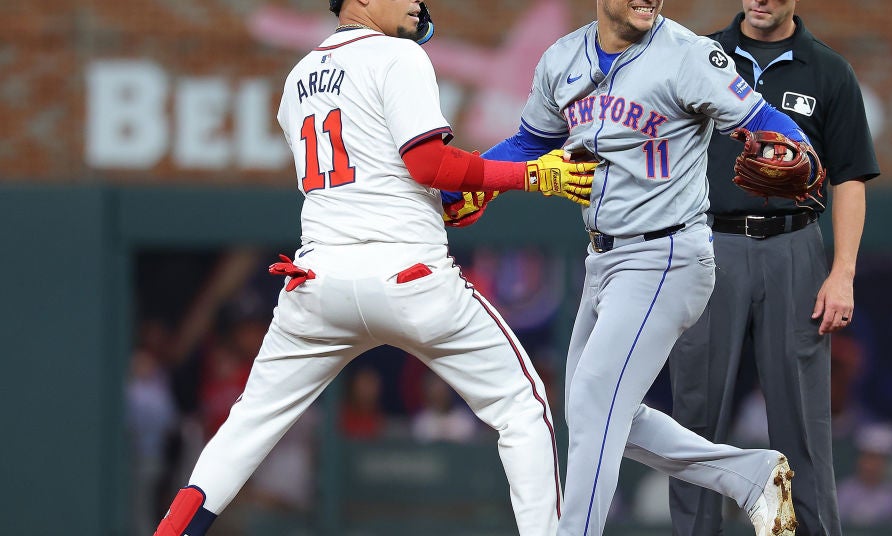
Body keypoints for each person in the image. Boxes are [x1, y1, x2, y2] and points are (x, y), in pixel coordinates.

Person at [151, 1, 598, 534]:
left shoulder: (297, 78)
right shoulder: (397, 55)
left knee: (244, 428)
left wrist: (459, 194)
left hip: (317, 284)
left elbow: (382, 176)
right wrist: (528, 176)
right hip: (407, 275)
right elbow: (428, 165)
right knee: (522, 409)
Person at [483, 0, 831, 534]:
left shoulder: (689, 56)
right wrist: (476, 177)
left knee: (597, 402)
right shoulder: (561, 59)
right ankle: (749, 475)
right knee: (590, 411)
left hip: (668, 255)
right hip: (603, 259)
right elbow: (532, 142)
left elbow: (766, 120)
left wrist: (798, 148)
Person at [667, 1, 880, 534]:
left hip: (794, 247)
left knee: (804, 425)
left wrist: (843, 273)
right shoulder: (697, 57)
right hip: (708, 245)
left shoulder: (829, 70)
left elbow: (850, 178)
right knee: (695, 420)